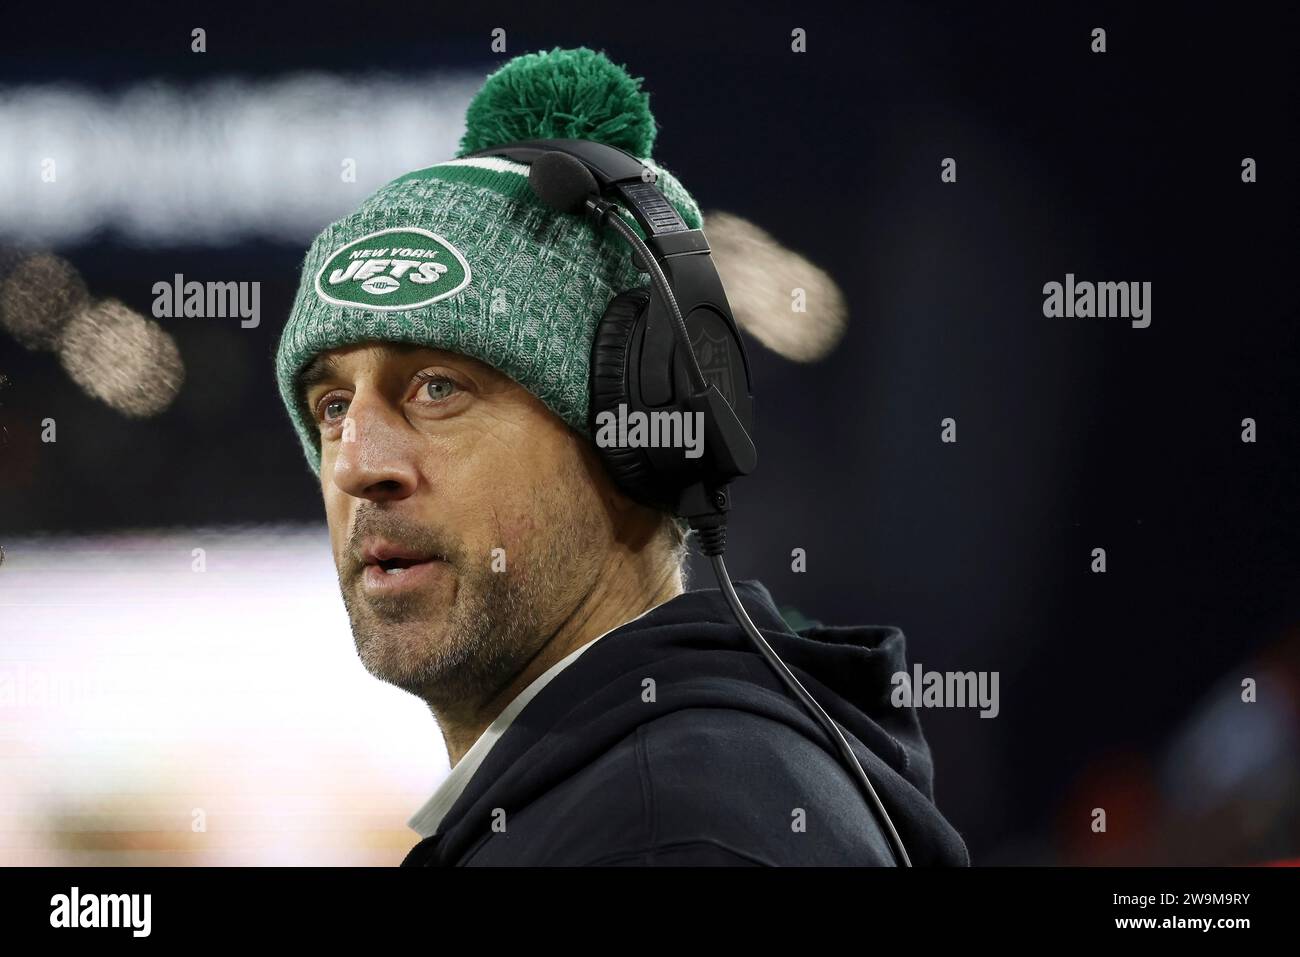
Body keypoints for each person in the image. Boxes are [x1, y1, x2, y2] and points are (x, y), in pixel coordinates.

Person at [274, 46, 969, 866]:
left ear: (640, 432)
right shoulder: (631, 800)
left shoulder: (669, 831)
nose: (357, 462)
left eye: (435, 388)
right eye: (333, 406)